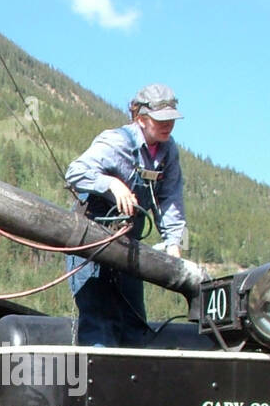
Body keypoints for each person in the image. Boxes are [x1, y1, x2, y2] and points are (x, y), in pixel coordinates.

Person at [64, 83, 186, 346]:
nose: (168, 126)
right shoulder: (115, 141)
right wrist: (111, 184)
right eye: (160, 120)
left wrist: (173, 242)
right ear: (141, 119)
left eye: (171, 120)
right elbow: (75, 172)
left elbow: (170, 199)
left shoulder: (168, 151)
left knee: (134, 323)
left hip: (128, 244)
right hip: (91, 242)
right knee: (97, 322)